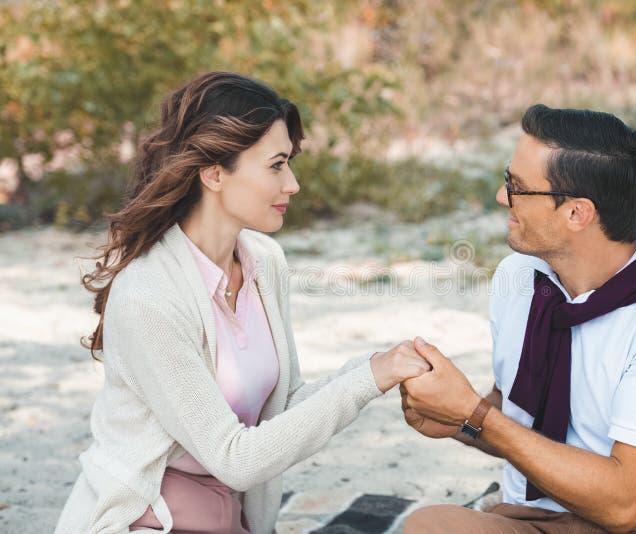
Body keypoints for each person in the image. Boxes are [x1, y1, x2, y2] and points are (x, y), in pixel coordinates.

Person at [55, 71, 430, 534]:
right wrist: (368, 380)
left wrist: (376, 367)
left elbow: (283, 407)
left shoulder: (264, 262)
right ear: (214, 173)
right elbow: (236, 459)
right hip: (144, 522)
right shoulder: (148, 296)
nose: (292, 184)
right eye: (276, 166)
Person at [400, 105, 636, 534]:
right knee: (431, 525)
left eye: (517, 188)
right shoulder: (520, 278)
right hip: (538, 520)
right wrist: (454, 417)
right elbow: (512, 413)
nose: (501, 197)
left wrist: (476, 415)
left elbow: (624, 504)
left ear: (577, 213)